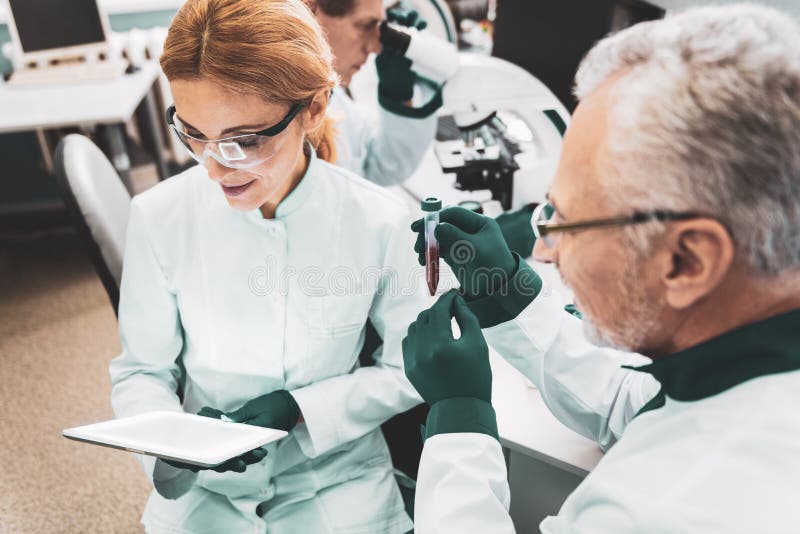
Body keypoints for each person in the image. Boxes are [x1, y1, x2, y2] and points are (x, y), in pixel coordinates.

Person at [403, 4, 800, 532]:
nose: (544, 251)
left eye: (565, 221)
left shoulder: (661, 509)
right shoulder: (743, 367)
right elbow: (636, 406)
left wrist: (458, 419)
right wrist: (511, 299)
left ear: (687, 261)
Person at [109, 1, 427, 532]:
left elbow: (407, 369)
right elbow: (142, 371)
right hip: (205, 493)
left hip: (337, 481)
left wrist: (303, 407)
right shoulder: (159, 217)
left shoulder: (381, 222)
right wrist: (175, 439)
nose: (215, 167)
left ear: (313, 108)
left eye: (244, 141)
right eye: (192, 134)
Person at [307, 0, 540, 258]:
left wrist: (400, 94)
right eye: (365, 25)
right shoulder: (281, 119)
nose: (375, 46)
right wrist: (461, 250)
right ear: (310, 10)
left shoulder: (333, 98)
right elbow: (339, 247)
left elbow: (380, 164)